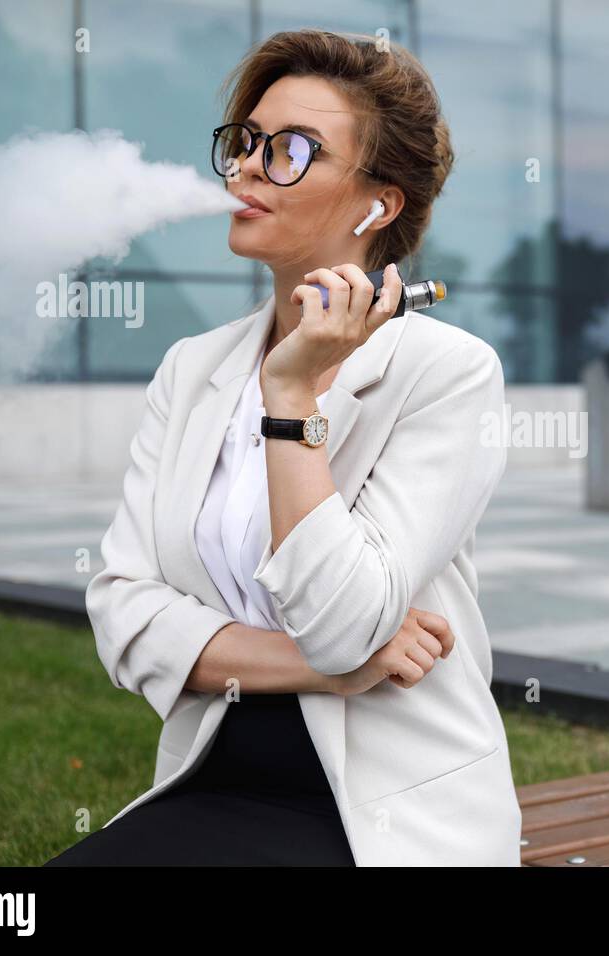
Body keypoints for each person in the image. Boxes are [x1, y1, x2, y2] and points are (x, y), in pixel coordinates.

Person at [46, 29, 521, 867]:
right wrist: (318, 670)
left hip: (386, 817)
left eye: (293, 150)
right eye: (247, 142)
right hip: (212, 779)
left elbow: (347, 621)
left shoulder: (449, 374)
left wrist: (292, 397)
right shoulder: (191, 369)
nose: (248, 169)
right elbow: (122, 612)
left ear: (379, 204)